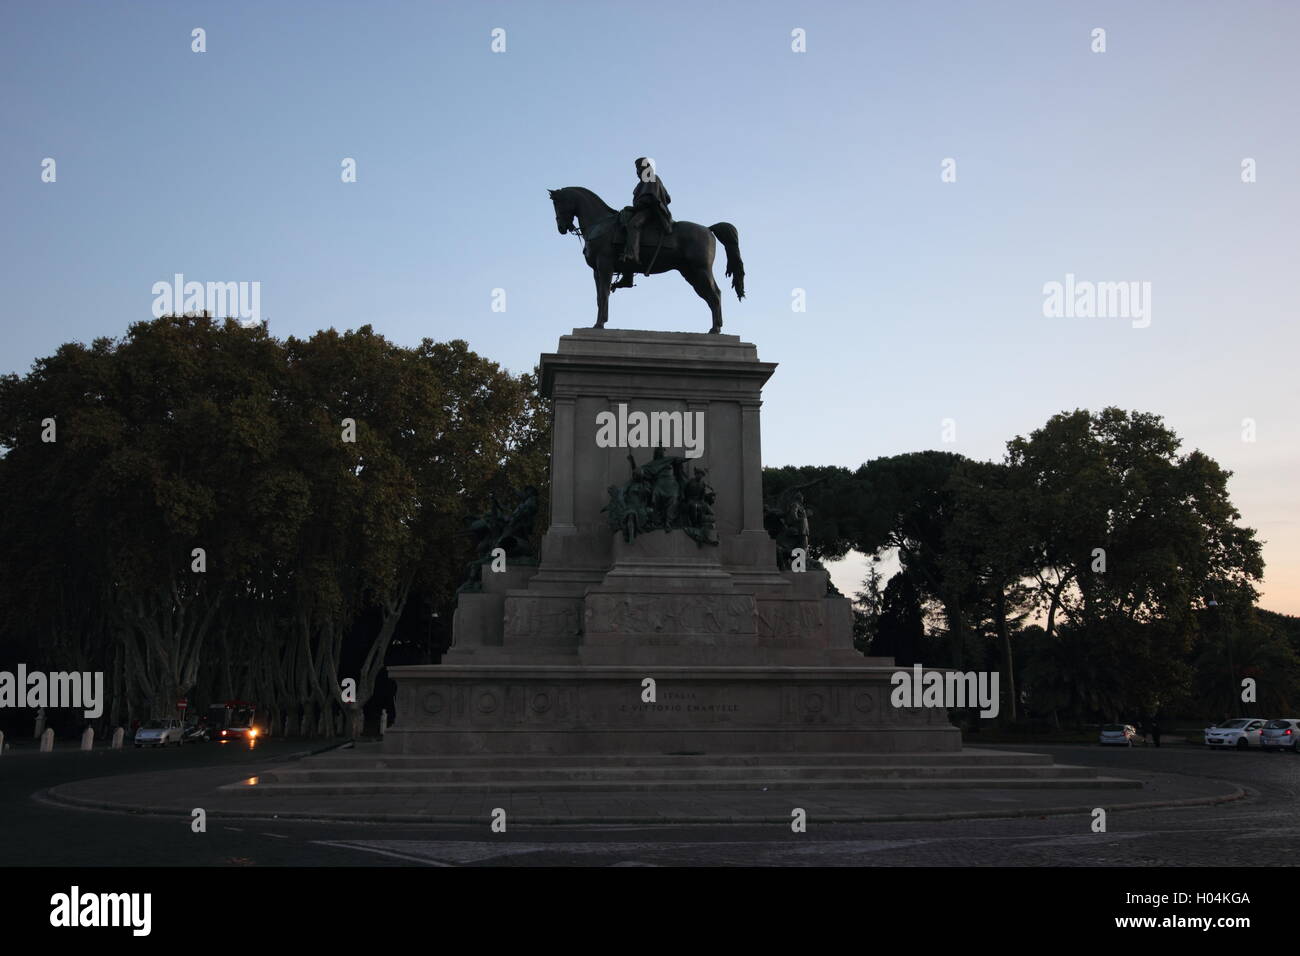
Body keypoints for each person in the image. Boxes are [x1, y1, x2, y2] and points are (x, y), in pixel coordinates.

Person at [621, 157, 672, 269]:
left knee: (633, 225)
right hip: (643, 209)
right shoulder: (641, 184)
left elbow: (651, 199)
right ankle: (627, 275)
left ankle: (632, 255)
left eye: (640, 169)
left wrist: (635, 208)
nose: (638, 172)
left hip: (651, 210)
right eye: (637, 170)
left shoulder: (652, 179)